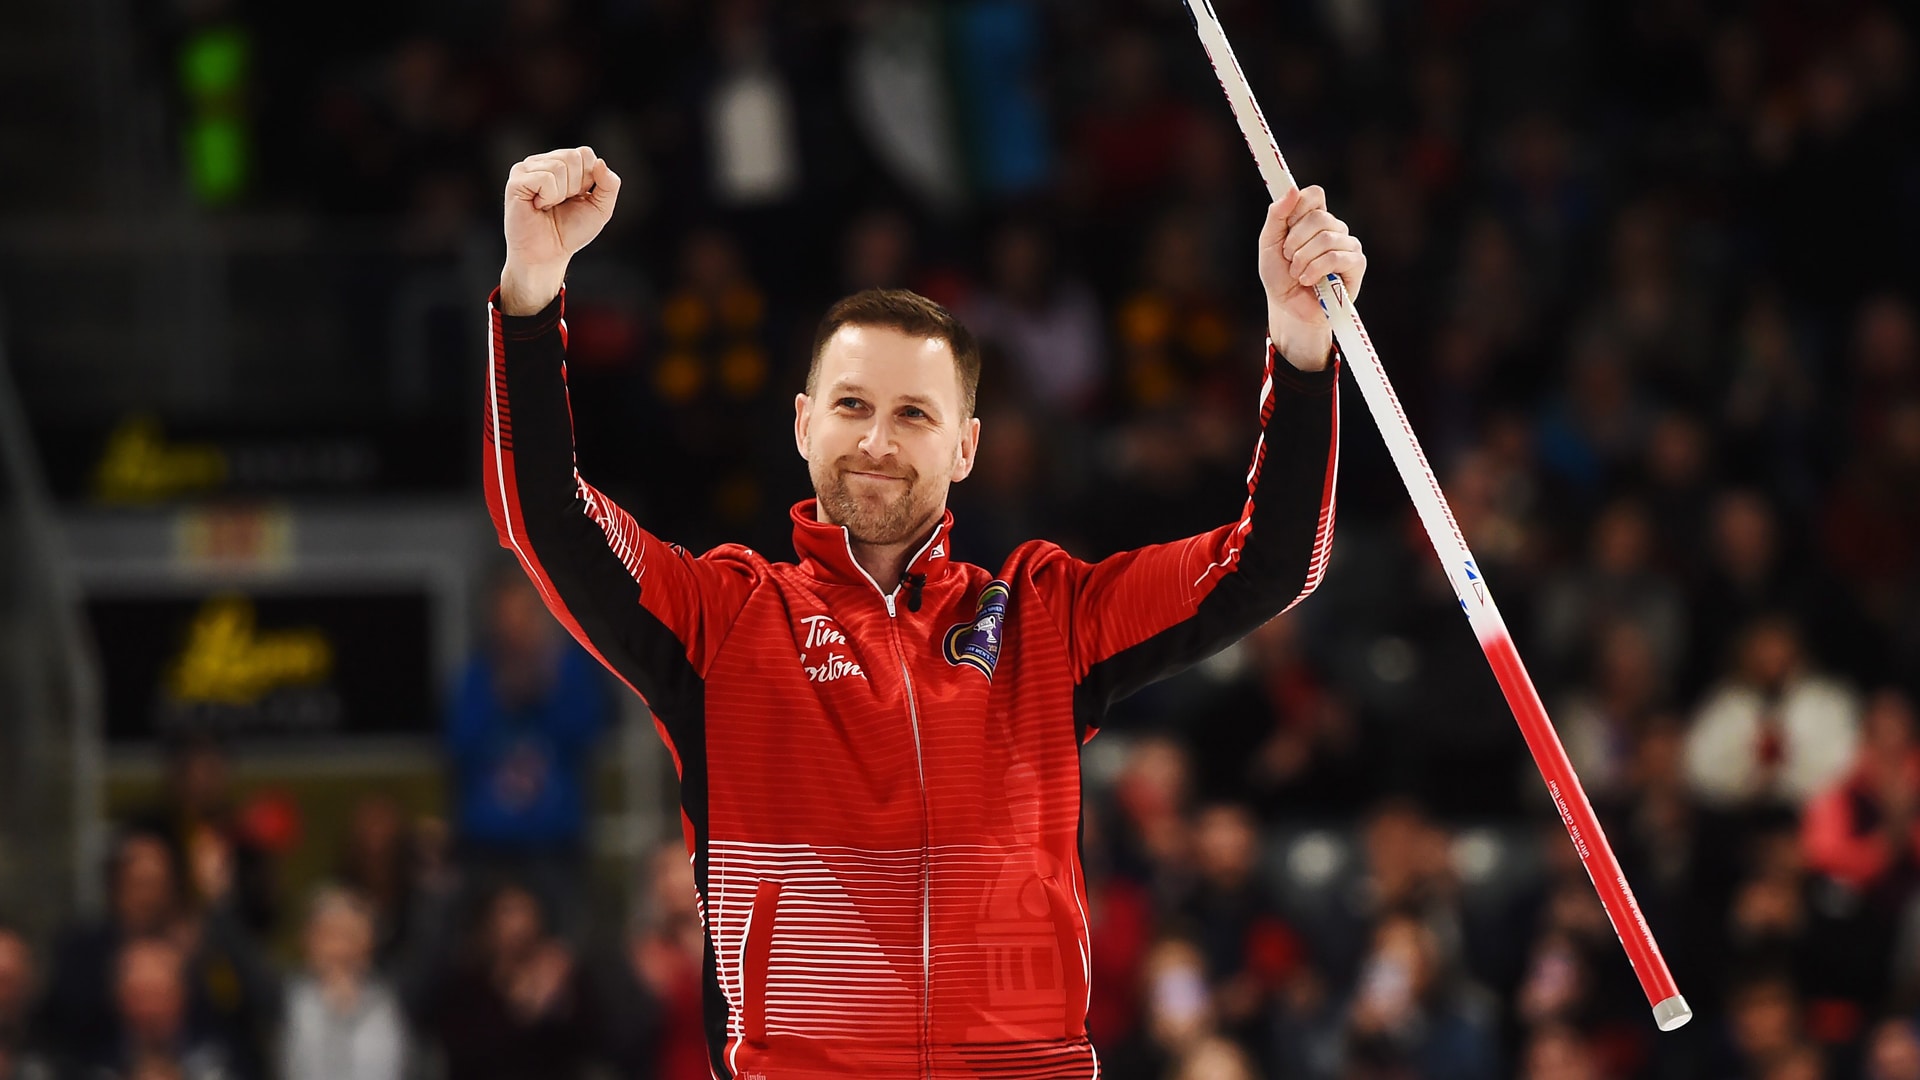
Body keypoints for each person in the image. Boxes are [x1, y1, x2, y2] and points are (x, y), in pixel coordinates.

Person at [483, 144, 1357, 1076]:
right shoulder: (723, 619)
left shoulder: (1043, 618)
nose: (876, 439)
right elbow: (547, 519)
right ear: (802, 423)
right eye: (852, 404)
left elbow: (1270, 564)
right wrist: (532, 289)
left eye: (913, 414)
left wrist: (1299, 344)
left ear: (967, 445)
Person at [282, 887, 408, 1080]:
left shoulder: (392, 997)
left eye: (350, 936)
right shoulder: (290, 997)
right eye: (330, 935)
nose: (340, 949)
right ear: (309, 942)